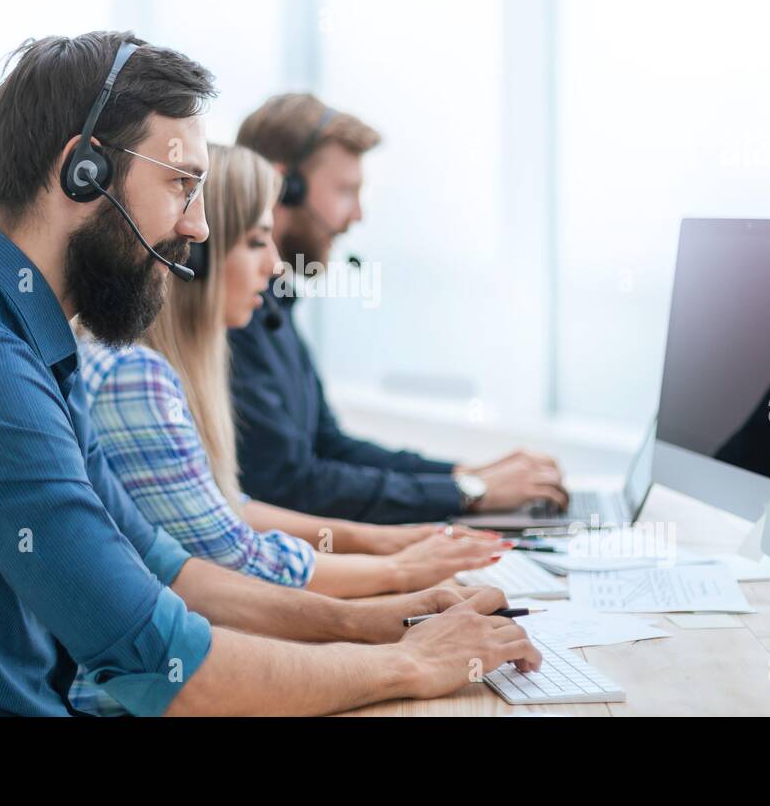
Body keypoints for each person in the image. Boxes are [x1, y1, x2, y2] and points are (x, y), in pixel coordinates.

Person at [0, 31, 538, 717]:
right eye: (182, 183)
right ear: (82, 173)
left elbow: (164, 568)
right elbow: (163, 666)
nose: (198, 227)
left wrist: (378, 622)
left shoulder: (26, 342)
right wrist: (407, 664)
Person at [78, 143, 511, 604]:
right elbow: (237, 555)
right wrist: (398, 570)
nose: (277, 266)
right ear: (193, 256)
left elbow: (230, 509)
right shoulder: (135, 377)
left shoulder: (180, 366)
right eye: (256, 241)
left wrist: (386, 543)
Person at [229, 93, 568, 524]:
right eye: (346, 191)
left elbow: (330, 445)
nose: (357, 215)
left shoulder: (274, 305)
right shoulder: (233, 317)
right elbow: (291, 486)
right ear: (281, 187)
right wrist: (469, 492)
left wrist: (466, 475)